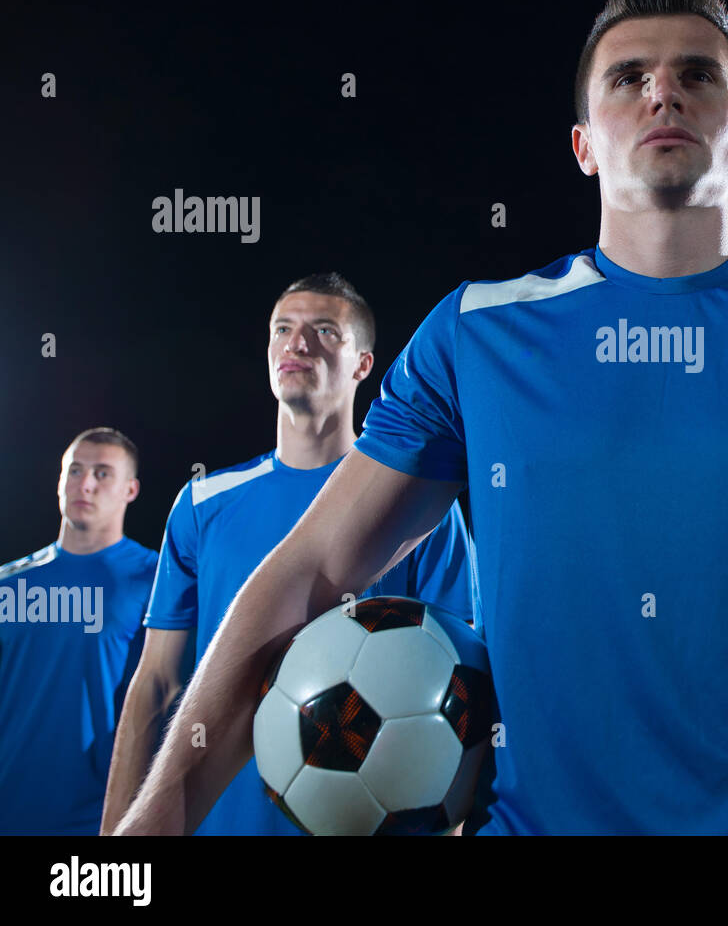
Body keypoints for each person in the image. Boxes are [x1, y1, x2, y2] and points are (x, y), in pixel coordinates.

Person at [116, 0, 728, 836]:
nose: (663, 94)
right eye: (628, 78)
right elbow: (307, 576)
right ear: (583, 143)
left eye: (696, 74)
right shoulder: (476, 334)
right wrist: (155, 820)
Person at [101, 273, 475, 835]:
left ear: (363, 364)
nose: (298, 344)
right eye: (284, 329)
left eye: (325, 331)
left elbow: (460, 695)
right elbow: (155, 683)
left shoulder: (419, 508)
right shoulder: (203, 503)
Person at [0, 428, 158, 835]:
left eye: (102, 473)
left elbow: (168, 696)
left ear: (130, 489)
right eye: (74, 471)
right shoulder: (9, 584)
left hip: (96, 820)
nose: (84, 483)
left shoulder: (157, 579)